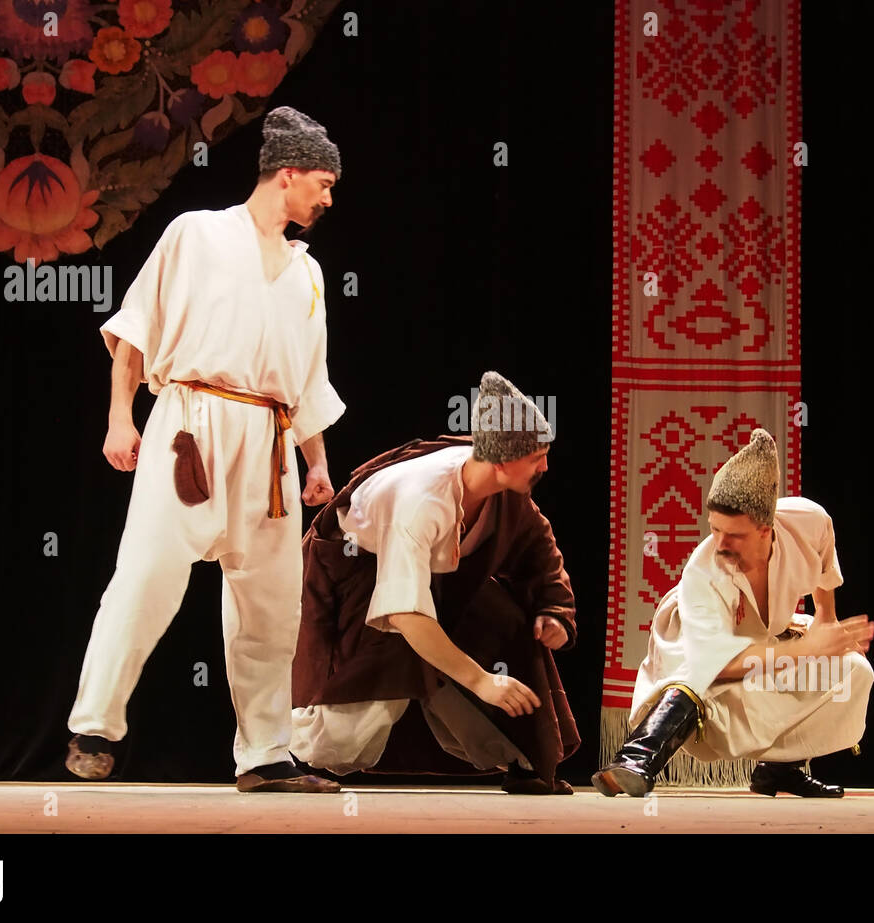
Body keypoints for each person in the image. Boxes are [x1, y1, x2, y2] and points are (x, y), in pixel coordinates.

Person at [64, 107, 347, 793]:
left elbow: (307, 381)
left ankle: (265, 753)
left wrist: (317, 463)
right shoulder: (197, 233)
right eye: (323, 183)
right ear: (288, 175)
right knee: (147, 576)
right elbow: (135, 329)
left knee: (273, 606)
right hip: (192, 423)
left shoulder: (309, 275)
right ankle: (94, 725)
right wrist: (118, 419)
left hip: (273, 443)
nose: (328, 199)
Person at [290, 372, 580, 794]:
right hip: (360, 574)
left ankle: (521, 759)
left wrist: (555, 611)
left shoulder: (502, 489)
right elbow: (406, 613)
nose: (545, 465)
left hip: (439, 579)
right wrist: (481, 680)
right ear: (501, 463)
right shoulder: (420, 503)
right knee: (392, 659)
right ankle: (306, 755)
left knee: (504, 627)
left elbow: (538, 546)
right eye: (537, 456)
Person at [594, 428, 874, 798]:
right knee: (698, 681)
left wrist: (826, 620)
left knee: (853, 671)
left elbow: (824, 558)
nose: (720, 543)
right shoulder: (704, 571)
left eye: (734, 535)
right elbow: (720, 664)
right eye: (714, 529)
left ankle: (780, 770)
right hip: (696, 639)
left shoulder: (807, 520)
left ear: (765, 529)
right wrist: (810, 649)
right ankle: (635, 760)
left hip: (765, 636)